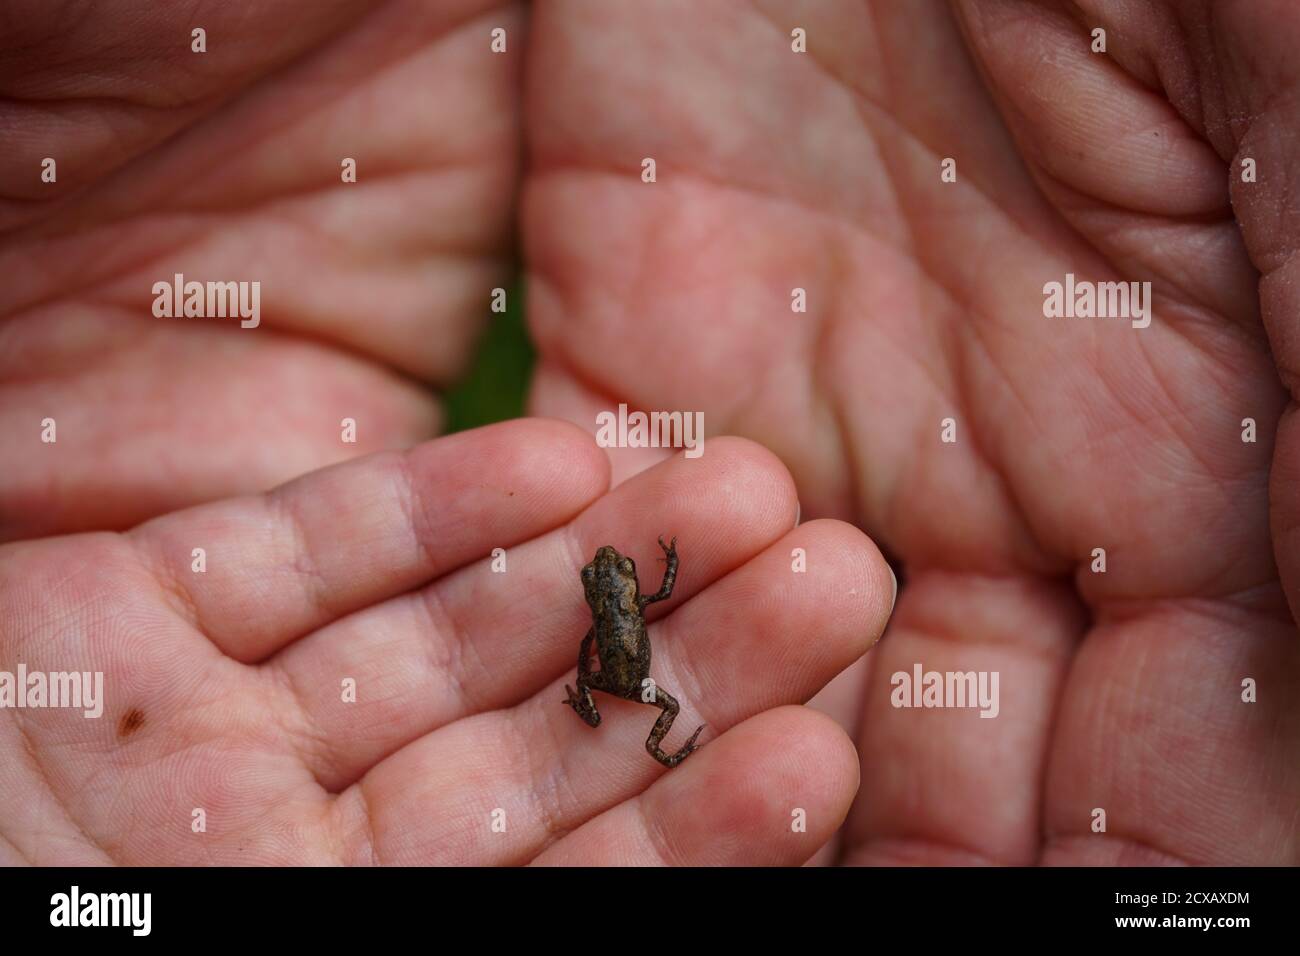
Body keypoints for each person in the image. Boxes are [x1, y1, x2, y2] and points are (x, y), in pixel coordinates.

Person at [0, 0, 1294, 865]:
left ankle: (651, 737)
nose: (613, 574)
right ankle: (656, 738)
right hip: (625, 677)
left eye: (613, 575)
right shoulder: (621, 616)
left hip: (616, 677)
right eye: (614, 574)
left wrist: (612, 654)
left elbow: (637, 598)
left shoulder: (611, 620)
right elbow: (647, 594)